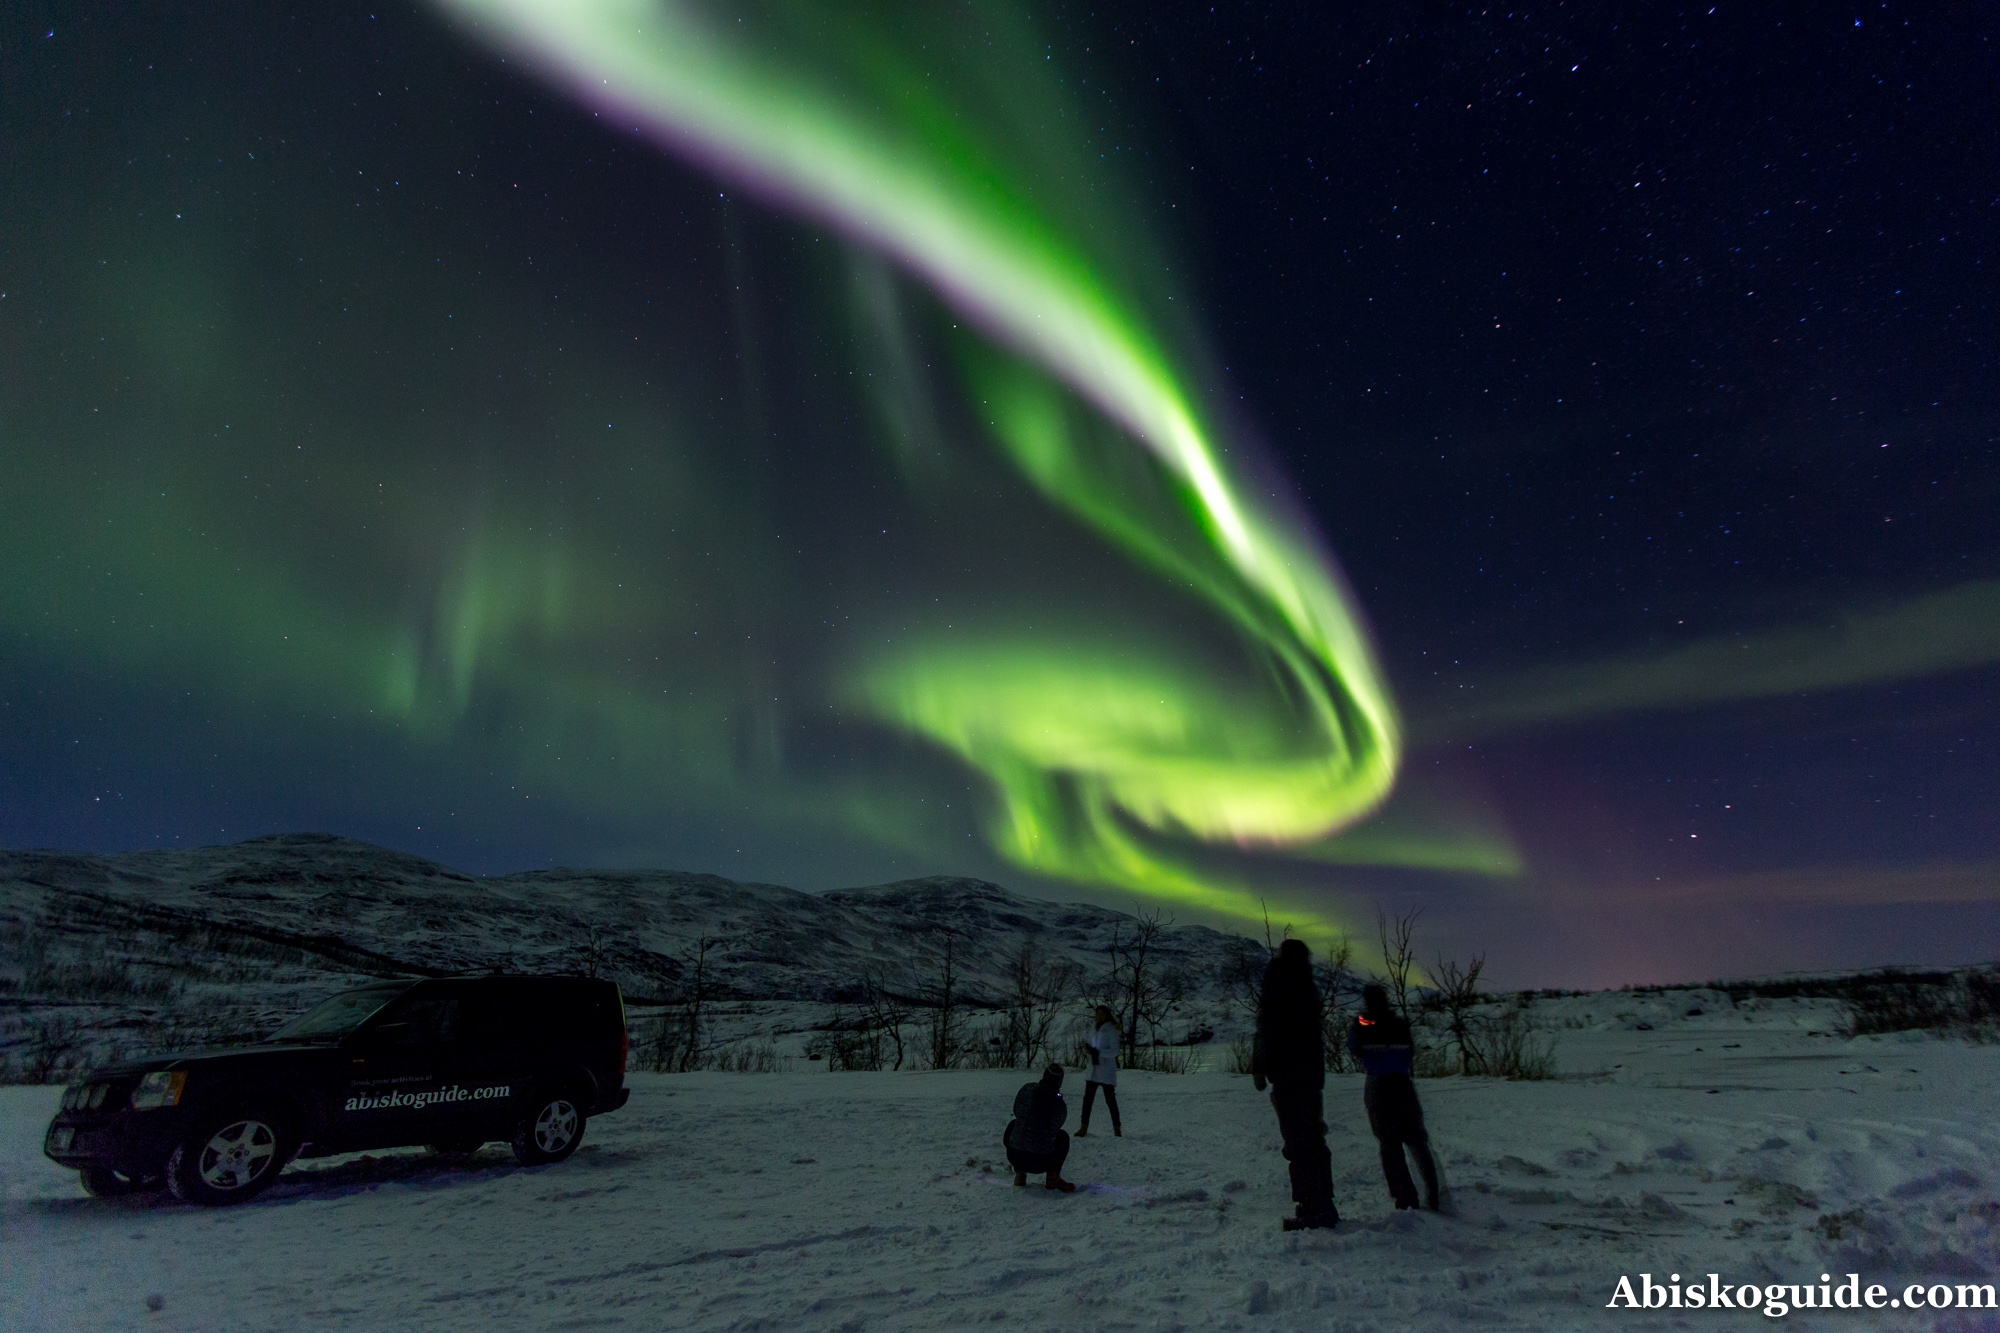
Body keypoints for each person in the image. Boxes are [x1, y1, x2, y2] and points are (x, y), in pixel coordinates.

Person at [1250, 939, 1338, 1230]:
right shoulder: (1306, 990)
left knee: (1300, 1141)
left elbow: (1267, 1031)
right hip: (1307, 1078)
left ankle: (1314, 1207)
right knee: (1310, 1139)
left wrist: (1261, 1067)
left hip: (1290, 1077)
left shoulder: (1279, 987)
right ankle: (1317, 1204)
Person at [1346, 984, 1440, 1211]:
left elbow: (1355, 1047)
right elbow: (1410, 1051)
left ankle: (1406, 1198)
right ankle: (1434, 1192)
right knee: (1417, 1140)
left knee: (1389, 1144)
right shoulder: (1399, 1023)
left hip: (1378, 1083)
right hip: (1403, 1082)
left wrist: (1362, 1023)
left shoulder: (1365, 1024)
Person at [1003, 1063, 1077, 1192]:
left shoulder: (1027, 1089)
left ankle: (1020, 1174)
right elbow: (1057, 1126)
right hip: (1042, 1161)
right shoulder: (1059, 1103)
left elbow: (1016, 1111)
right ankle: (1052, 1177)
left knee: (1013, 1124)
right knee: (1063, 1137)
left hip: (1015, 1156)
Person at [1077, 1004, 1122, 1137]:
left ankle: (1117, 1129)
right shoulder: (1093, 1028)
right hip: (1093, 1069)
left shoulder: (1111, 1030)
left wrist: (1098, 1052)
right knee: (1088, 1100)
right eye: (1098, 1014)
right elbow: (1093, 1045)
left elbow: (1115, 1051)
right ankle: (1083, 1127)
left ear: (1107, 1015)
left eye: (1102, 1014)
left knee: (1110, 1100)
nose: (1099, 1016)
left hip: (1106, 1070)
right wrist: (1090, 1050)